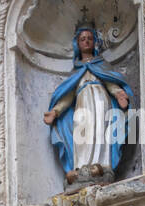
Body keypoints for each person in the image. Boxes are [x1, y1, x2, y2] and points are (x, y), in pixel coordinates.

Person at [43, 24, 135, 186]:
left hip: (100, 102)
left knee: (100, 131)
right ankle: (81, 167)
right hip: (82, 104)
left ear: (94, 42)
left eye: (89, 39)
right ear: (77, 44)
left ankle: (102, 164)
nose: (86, 42)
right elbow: (68, 95)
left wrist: (119, 94)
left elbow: (110, 82)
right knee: (82, 133)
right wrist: (55, 112)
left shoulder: (101, 65)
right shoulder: (76, 71)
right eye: (82, 39)